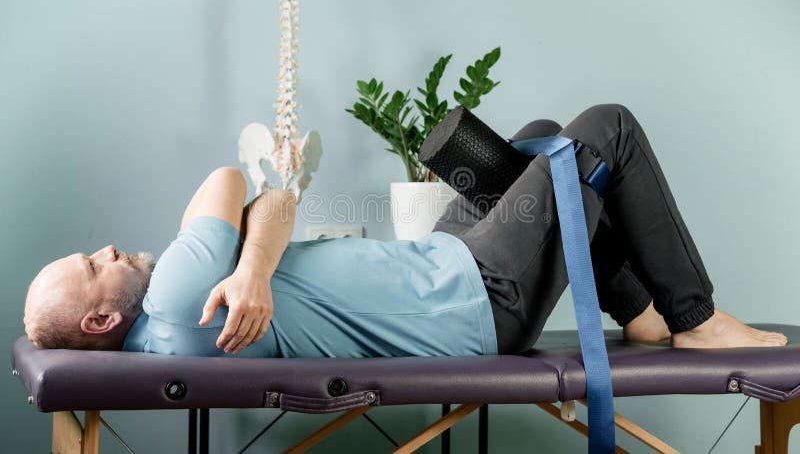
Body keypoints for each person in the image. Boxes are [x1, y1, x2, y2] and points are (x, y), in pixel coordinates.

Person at [23, 104, 788, 357]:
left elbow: (274, 202)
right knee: (603, 129)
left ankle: (639, 311)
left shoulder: (174, 307)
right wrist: (252, 258)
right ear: (101, 317)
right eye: (93, 264)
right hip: (479, 300)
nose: (109, 249)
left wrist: (255, 262)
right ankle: (695, 318)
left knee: (537, 135)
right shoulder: (177, 300)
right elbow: (241, 184)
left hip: (448, 264)